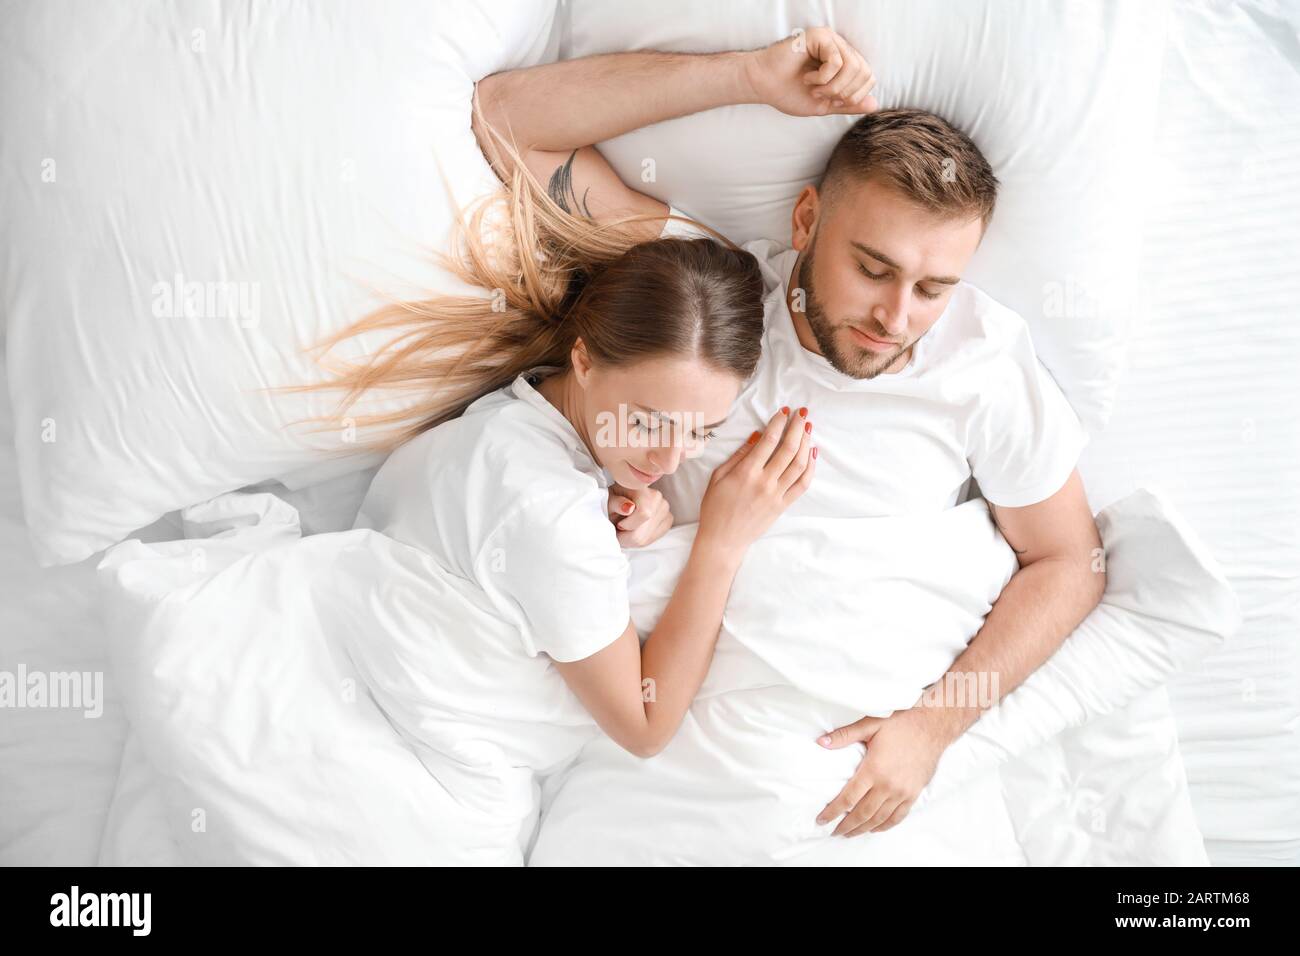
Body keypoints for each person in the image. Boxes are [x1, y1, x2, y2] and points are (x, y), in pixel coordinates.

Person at [475, 25, 1107, 841]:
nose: (896, 317)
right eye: (873, 269)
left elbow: (1070, 562)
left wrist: (935, 726)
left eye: (934, 288)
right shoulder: (716, 303)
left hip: (869, 766)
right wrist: (747, 76)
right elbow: (504, 120)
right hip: (675, 762)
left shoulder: (981, 364)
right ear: (807, 219)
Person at [291, 101, 816, 861]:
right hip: (410, 782)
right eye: (647, 421)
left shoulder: (517, 416)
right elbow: (645, 725)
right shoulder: (552, 518)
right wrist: (723, 544)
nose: (670, 461)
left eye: (699, 432)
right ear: (585, 359)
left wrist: (646, 506)